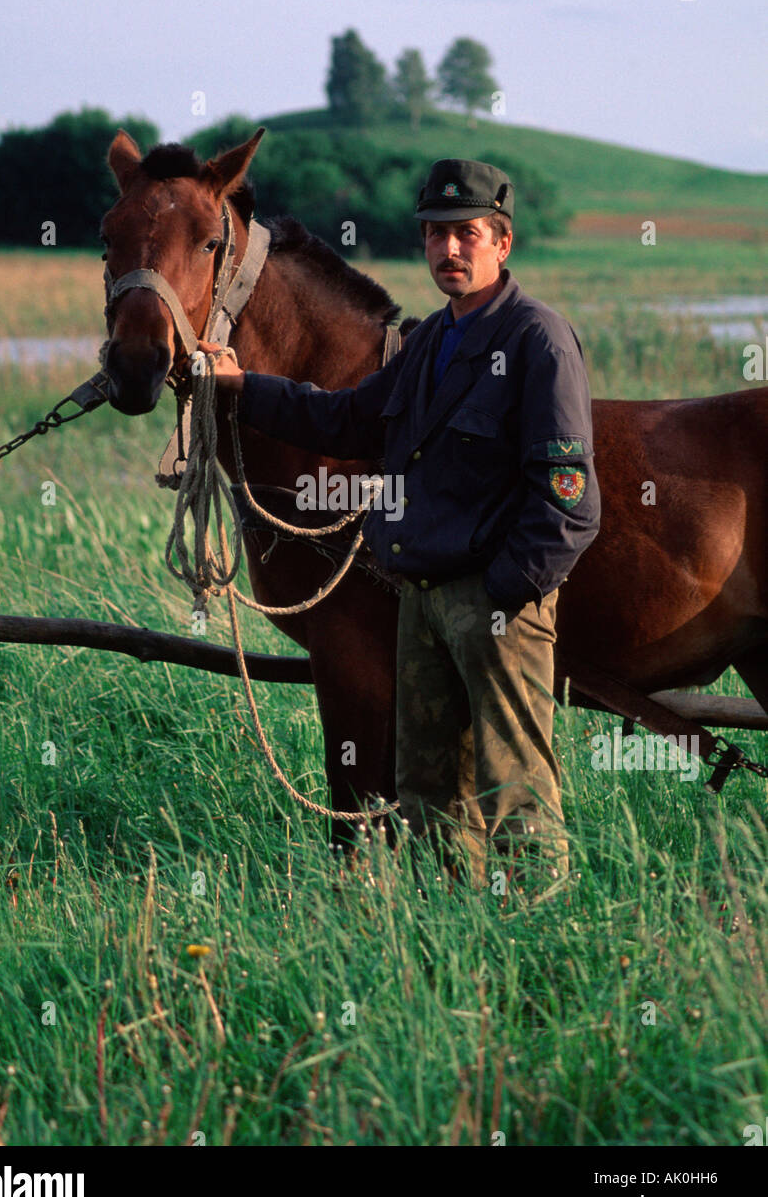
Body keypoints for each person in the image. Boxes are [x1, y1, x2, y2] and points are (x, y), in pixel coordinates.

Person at [207, 159, 600, 887]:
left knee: (513, 791)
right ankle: (448, 938)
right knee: (428, 799)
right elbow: (346, 419)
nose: (449, 251)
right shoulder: (427, 344)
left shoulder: (536, 340)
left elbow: (569, 497)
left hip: (494, 603)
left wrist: (507, 590)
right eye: (435, 236)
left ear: (502, 243)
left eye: (467, 235)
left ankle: (539, 943)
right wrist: (241, 388)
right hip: (419, 597)